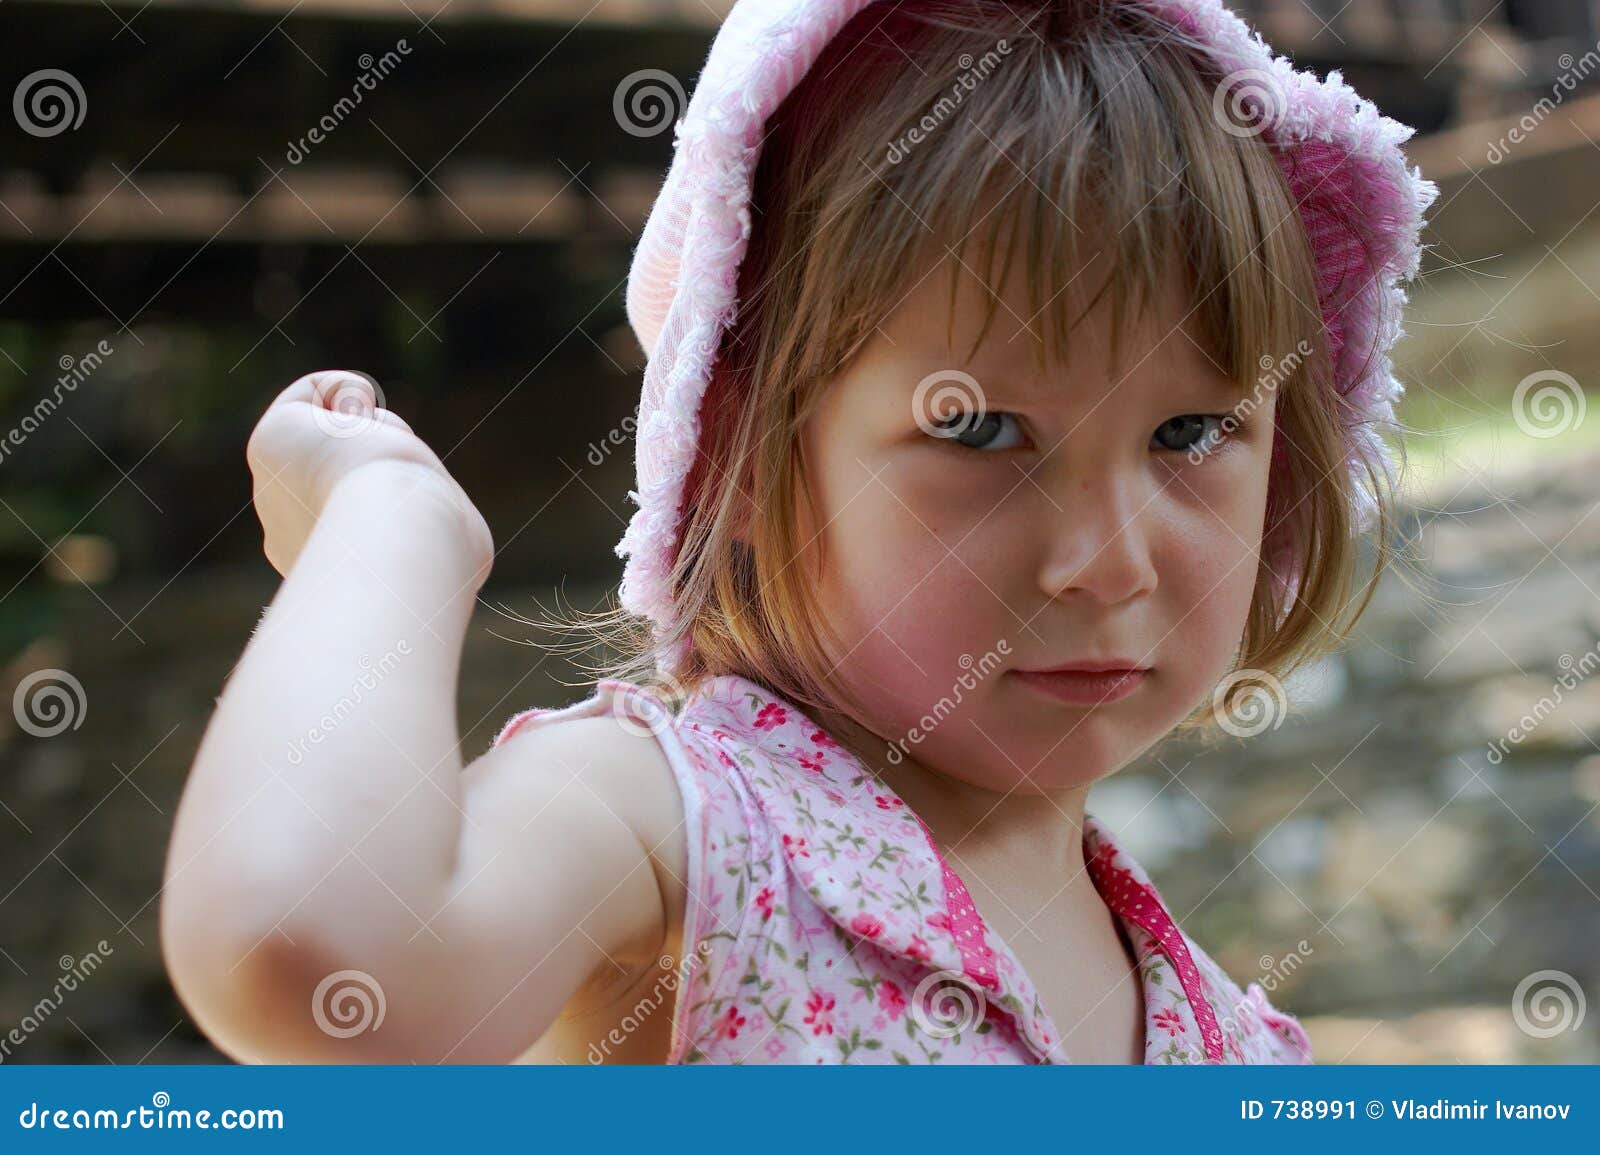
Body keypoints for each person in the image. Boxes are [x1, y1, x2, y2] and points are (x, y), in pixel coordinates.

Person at [162, 0, 1437, 1064]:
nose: (1106, 560)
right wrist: (393, 528)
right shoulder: (684, 829)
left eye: (1191, 435)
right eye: (982, 432)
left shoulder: (1239, 1049)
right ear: (746, 451)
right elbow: (308, 955)